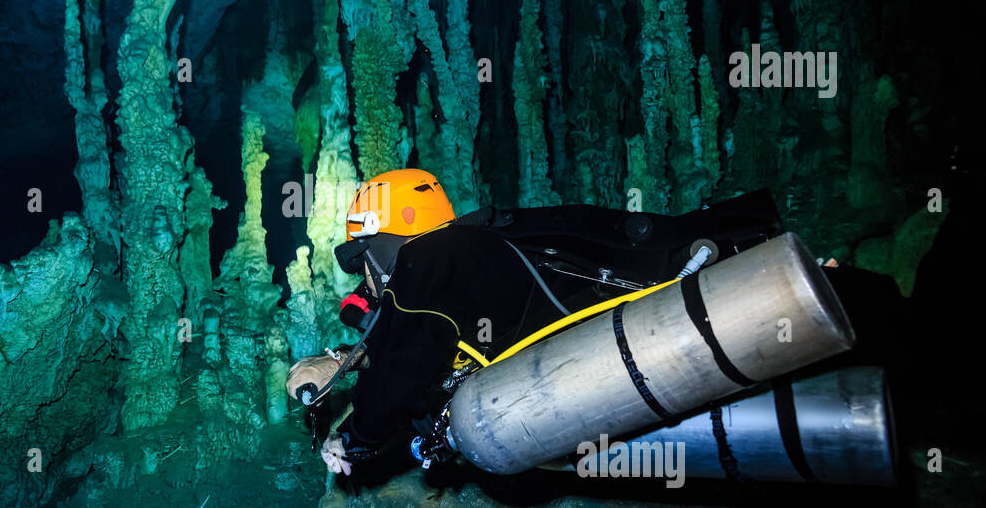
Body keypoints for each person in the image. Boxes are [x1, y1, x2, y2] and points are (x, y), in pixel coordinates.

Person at [288, 169, 789, 476]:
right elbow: (419, 347)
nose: (367, 283)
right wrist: (341, 360)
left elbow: (408, 356)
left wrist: (354, 437)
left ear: (388, 242)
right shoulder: (471, 255)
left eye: (363, 260)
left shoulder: (431, 256)